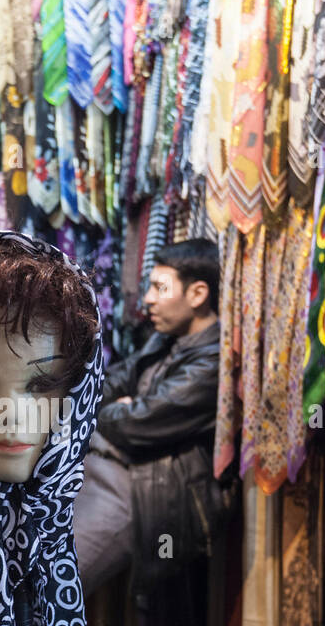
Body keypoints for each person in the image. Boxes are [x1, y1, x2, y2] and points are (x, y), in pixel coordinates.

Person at [73, 238, 227, 597]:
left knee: (46, 589)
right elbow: (104, 384)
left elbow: (137, 422)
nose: (148, 299)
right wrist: (122, 406)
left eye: (160, 288)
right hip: (98, 471)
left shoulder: (213, 360)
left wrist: (126, 408)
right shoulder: (164, 340)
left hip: (136, 492)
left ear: (198, 293)